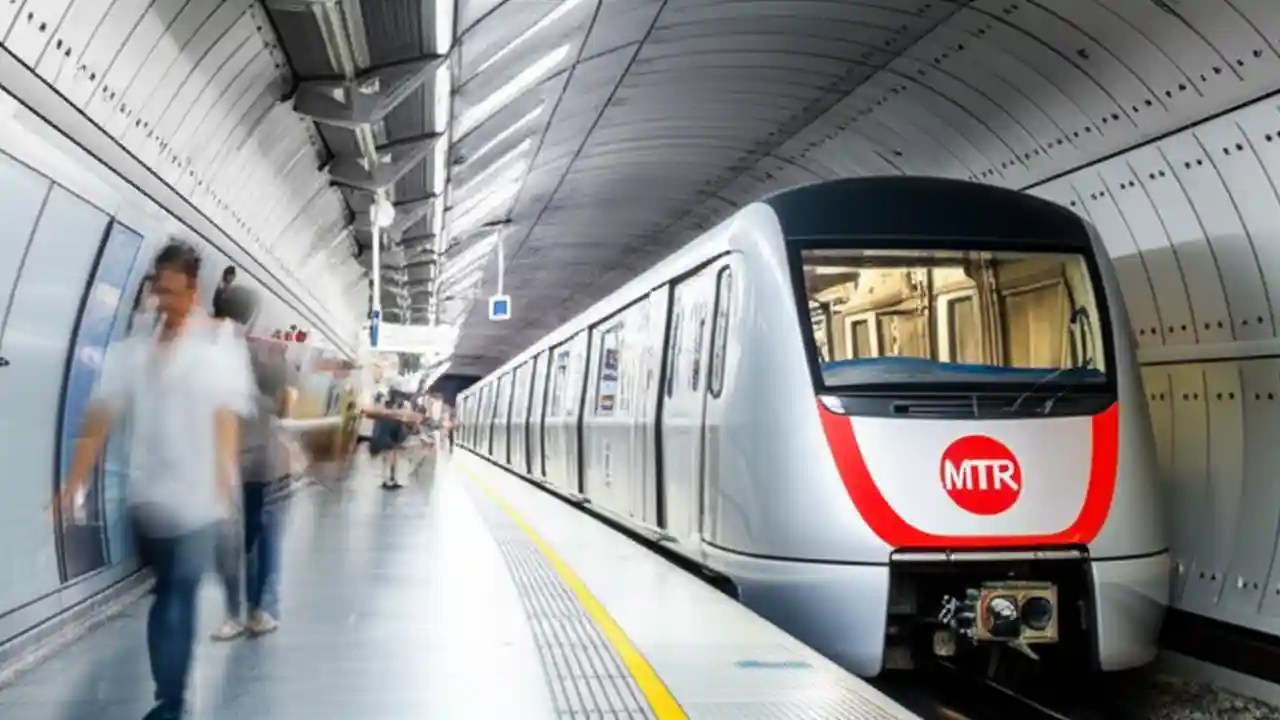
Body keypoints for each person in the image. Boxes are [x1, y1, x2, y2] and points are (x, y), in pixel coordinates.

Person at [59, 240, 255, 720]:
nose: (163, 302)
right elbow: (100, 416)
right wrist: (74, 485)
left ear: (193, 291)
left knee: (175, 595)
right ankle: (170, 697)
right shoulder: (132, 351)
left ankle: (170, 704)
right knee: (166, 594)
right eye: (157, 291)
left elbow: (226, 418)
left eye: (172, 292)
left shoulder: (217, 347)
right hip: (147, 498)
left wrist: (223, 483)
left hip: (198, 502)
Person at [210, 285, 296, 641]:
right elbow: (286, 402)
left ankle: (233, 615)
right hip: (266, 461)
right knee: (265, 538)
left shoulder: (205, 353)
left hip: (229, 465)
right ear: (252, 315)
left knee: (235, 542)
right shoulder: (268, 352)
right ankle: (261, 611)